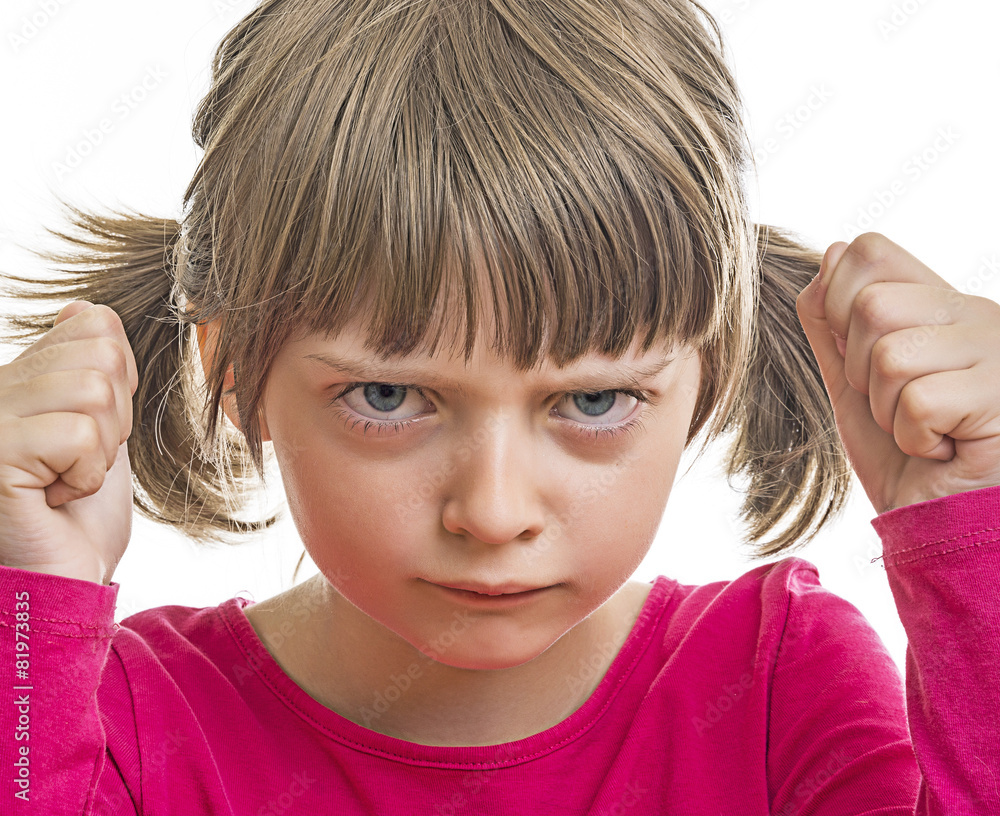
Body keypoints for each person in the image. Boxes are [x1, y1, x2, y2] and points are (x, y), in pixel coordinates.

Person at [0, 0, 997, 813]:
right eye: (386, 397)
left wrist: (974, 547)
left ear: (704, 373)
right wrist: (23, 610)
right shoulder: (110, 724)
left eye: (594, 399)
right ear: (233, 374)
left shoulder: (782, 688)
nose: (493, 510)